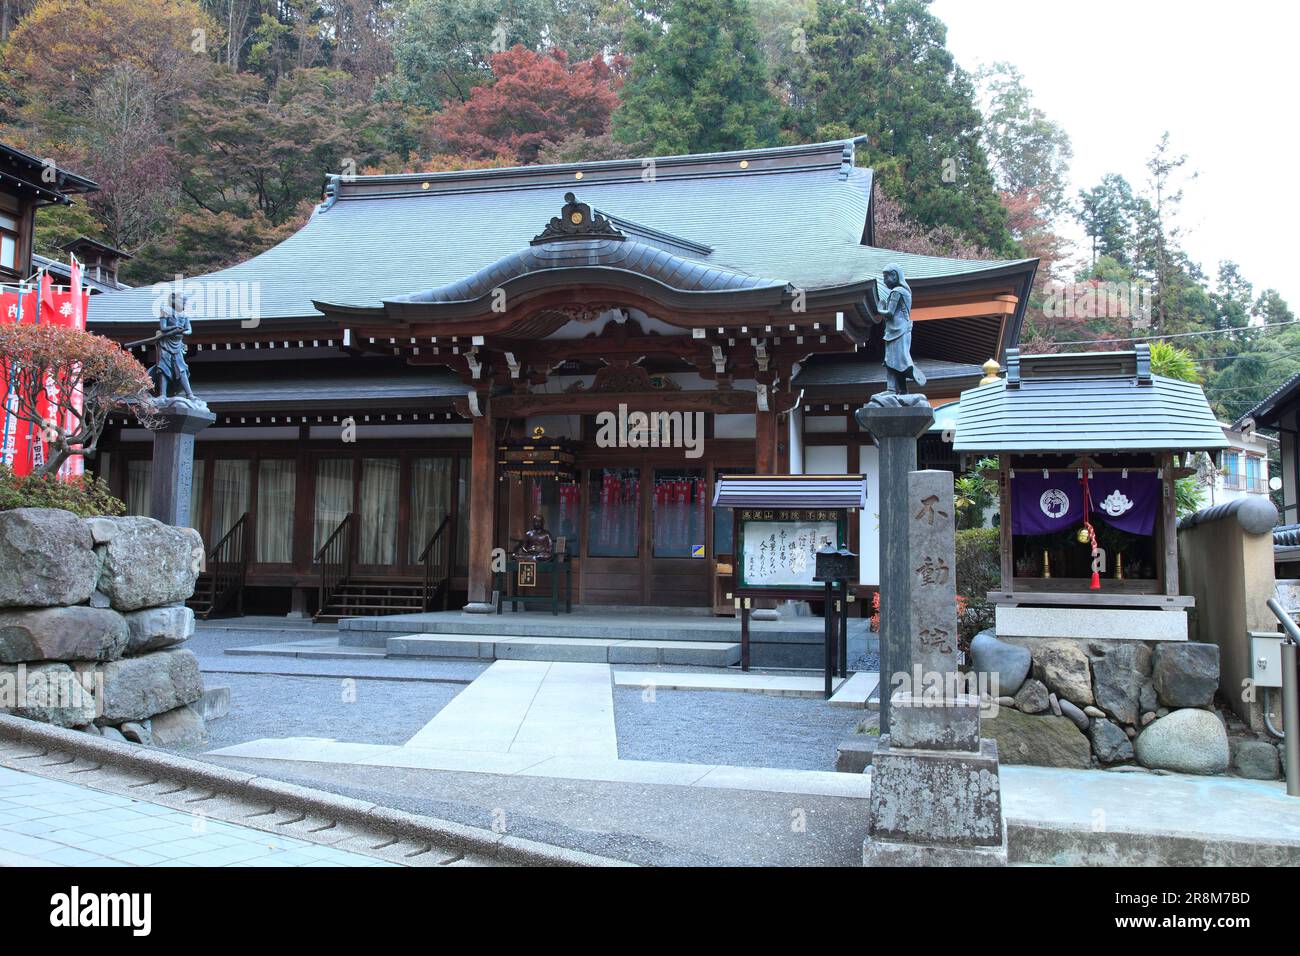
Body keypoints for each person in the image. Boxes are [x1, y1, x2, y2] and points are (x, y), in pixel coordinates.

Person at [872, 264, 927, 394]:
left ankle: (891, 389)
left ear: (895, 275)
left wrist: (880, 309)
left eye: (886, 276)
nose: (884, 280)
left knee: (892, 359)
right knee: (898, 361)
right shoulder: (906, 292)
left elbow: (890, 312)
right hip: (902, 329)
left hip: (896, 330)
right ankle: (903, 390)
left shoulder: (896, 291)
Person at [149, 292, 197, 401]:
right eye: (182, 301)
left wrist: (183, 332)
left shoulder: (184, 314)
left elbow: (189, 329)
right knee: (164, 368)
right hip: (165, 343)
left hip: (178, 344)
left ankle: (189, 394)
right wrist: (175, 328)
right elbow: (163, 328)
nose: (184, 303)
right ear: (174, 300)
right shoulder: (165, 311)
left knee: (182, 368)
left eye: (185, 302)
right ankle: (162, 394)